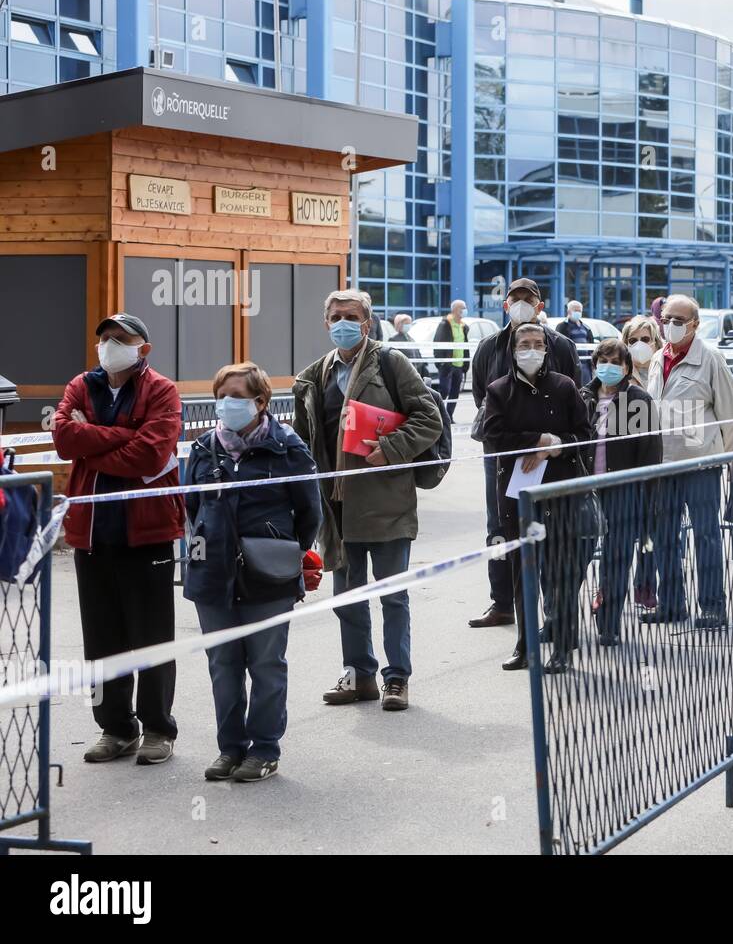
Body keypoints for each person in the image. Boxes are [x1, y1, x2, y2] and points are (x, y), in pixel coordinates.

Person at [293, 289, 441, 711]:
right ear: (326, 323)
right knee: (347, 597)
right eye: (336, 315)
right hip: (337, 510)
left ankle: (397, 679)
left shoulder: (391, 363)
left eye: (352, 316)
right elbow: (304, 444)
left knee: (393, 595)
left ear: (367, 321)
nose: (343, 322)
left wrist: (391, 448)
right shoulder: (312, 377)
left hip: (387, 502)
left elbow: (428, 417)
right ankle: (359, 674)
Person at [52, 313, 184, 765]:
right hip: (91, 533)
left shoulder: (161, 390)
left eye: (120, 338)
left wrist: (93, 441)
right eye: (104, 338)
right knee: (102, 637)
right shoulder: (80, 386)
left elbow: (150, 452)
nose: (109, 344)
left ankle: (158, 729)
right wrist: (120, 437)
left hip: (146, 533)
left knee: (151, 636)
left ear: (142, 348)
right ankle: (115, 727)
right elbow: (64, 440)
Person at [185, 363, 322, 782]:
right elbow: (192, 508)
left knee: (266, 664)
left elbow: (310, 513)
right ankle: (230, 749)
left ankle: (264, 749)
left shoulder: (288, 447)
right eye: (221, 396)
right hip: (212, 574)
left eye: (237, 397)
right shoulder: (204, 447)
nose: (227, 405)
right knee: (223, 665)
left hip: (269, 577)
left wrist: (281, 553)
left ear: (261, 402)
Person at [468, 279, 579, 632]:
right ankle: (502, 603)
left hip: (550, 456)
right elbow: (481, 400)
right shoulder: (489, 347)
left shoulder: (561, 346)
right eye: (514, 299)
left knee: (548, 530)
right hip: (501, 457)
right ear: (505, 305)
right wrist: (514, 441)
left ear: (540, 306)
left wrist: (548, 446)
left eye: (528, 300)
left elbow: (573, 397)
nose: (520, 304)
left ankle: (551, 612)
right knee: (499, 528)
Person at [482, 322, 593, 672]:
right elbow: (494, 437)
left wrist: (553, 447)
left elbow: (583, 434)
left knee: (560, 568)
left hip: (559, 490)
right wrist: (537, 440)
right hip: (517, 495)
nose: (531, 349)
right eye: (524, 343)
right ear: (513, 350)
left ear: (547, 347)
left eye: (537, 343)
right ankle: (525, 645)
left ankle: (562, 646)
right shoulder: (499, 390)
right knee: (522, 571)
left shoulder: (564, 386)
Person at [645, 294, 733, 626]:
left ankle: (713, 605)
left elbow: (732, 414)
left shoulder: (711, 359)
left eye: (679, 320)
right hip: (664, 465)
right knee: (664, 538)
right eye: (667, 318)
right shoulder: (659, 358)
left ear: (694, 325)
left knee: (705, 535)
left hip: (701, 465)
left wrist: (717, 454)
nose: (670, 325)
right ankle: (672, 604)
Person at [580, 339, 663, 644]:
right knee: (575, 557)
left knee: (616, 560)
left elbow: (651, 454)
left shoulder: (639, 400)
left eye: (616, 362)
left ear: (627, 368)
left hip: (623, 493)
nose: (609, 367)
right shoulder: (583, 397)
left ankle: (608, 623)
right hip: (585, 491)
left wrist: (648, 501)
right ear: (594, 365)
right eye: (603, 361)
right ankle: (559, 621)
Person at [433, 299, 469, 420]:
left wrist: (466, 364)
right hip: (447, 365)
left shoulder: (464, 326)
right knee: (444, 390)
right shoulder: (445, 324)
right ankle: (436, 414)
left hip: (459, 364)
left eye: (465, 308)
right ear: (454, 310)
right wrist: (441, 362)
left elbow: (465, 345)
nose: (464, 310)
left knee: (455, 392)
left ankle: (449, 416)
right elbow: (437, 343)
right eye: (461, 308)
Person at [621, 315, 663, 388]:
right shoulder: (621, 374)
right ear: (626, 344)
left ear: (656, 342)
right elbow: (622, 399)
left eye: (645, 339)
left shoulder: (666, 371)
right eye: (633, 341)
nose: (639, 344)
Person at [558, 299, 594, 382]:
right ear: (569, 311)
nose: (578, 312)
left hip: (585, 364)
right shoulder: (562, 327)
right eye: (575, 310)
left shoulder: (586, 328)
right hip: (571, 364)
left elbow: (591, 343)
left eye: (579, 310)